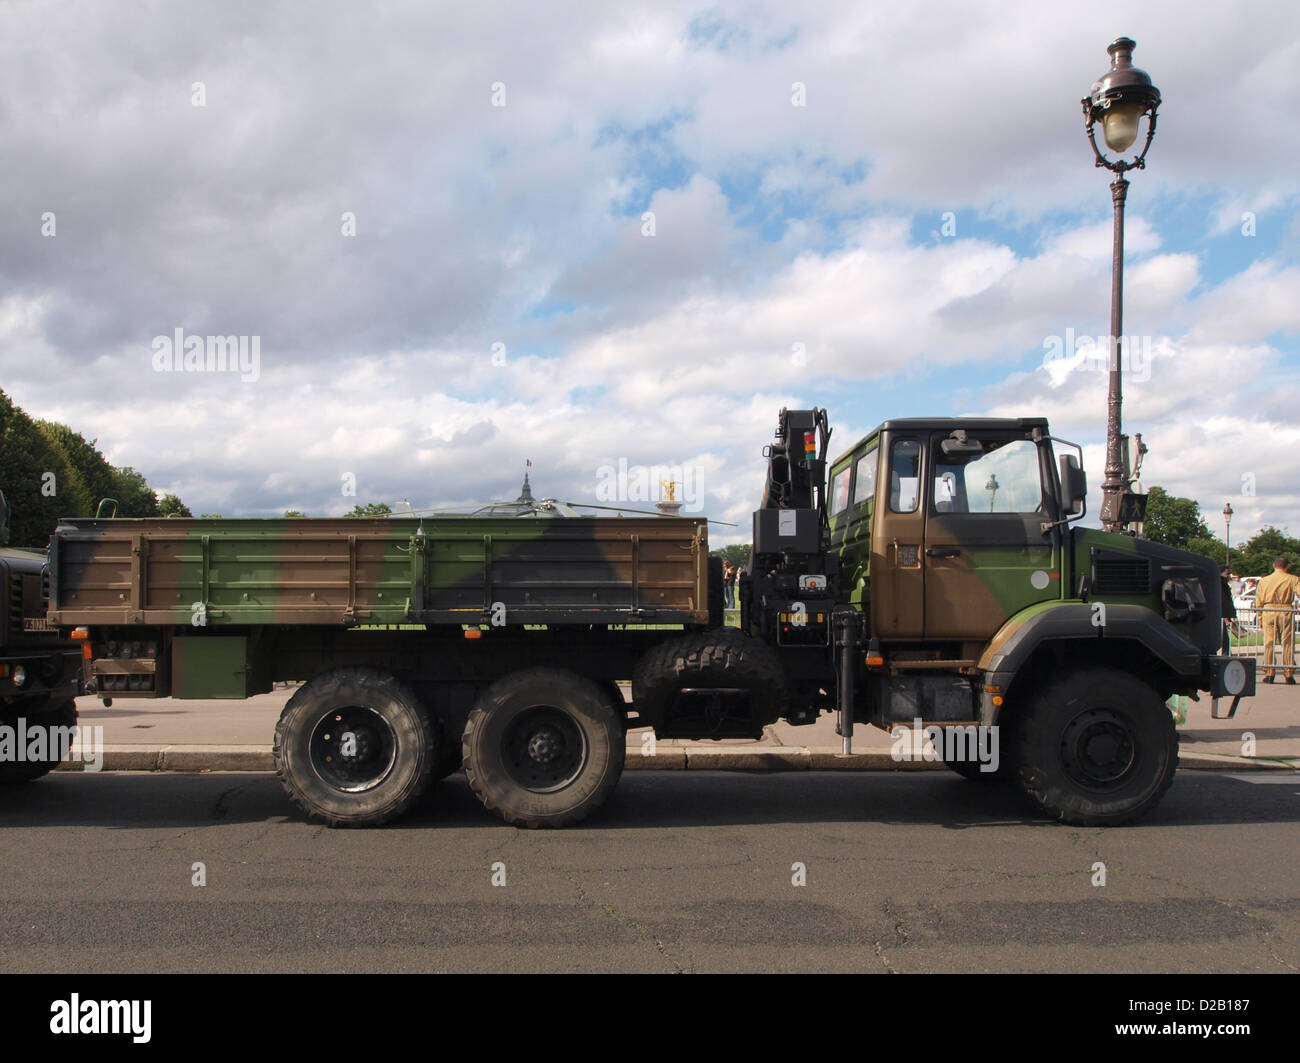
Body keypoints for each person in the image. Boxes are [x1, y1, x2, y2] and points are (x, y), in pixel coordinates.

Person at [1256, 556, 1300, 684]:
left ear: (1274, 565)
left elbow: (1258, 601)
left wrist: (1260, 617)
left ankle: (1269, 673)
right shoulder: (1292, 579)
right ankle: (1289, 673)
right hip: (1286, 610)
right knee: (1287, 643)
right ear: (1287, 567)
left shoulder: (1264, 581)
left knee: (1269, 643)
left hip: (1268, 610)